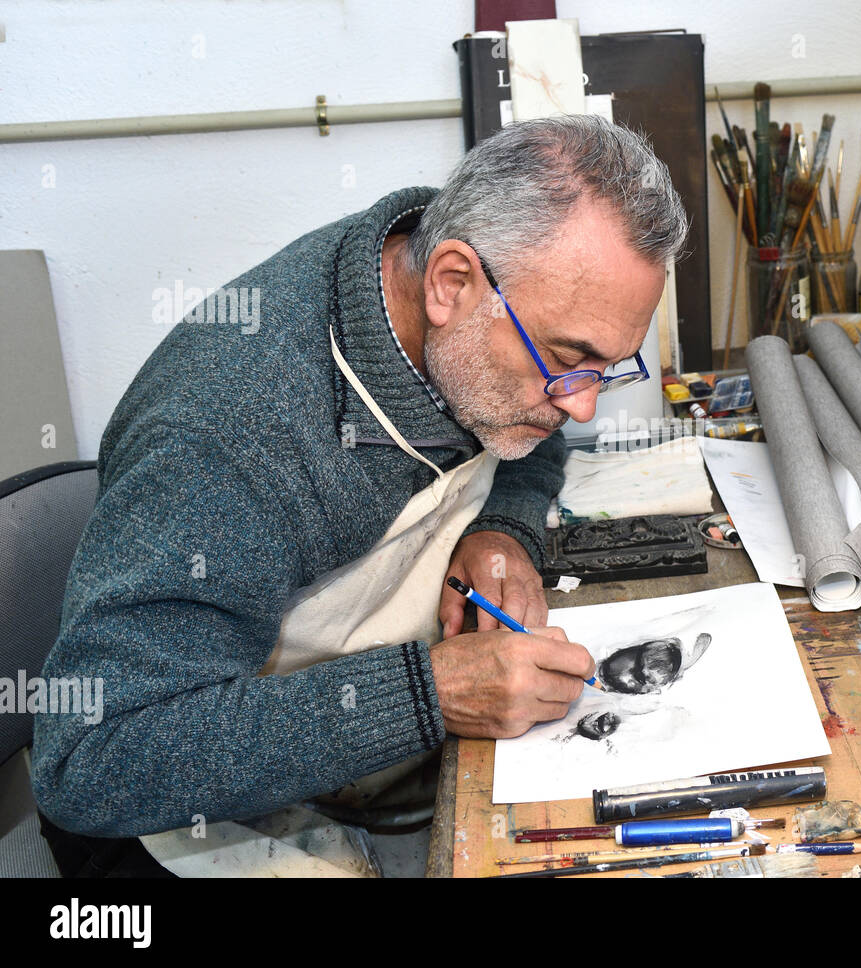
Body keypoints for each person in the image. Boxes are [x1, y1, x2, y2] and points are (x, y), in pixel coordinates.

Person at [31, 115, 688, 856]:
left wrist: (499, 528)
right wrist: (427, 692)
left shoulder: (465, 311)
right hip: (208, 819)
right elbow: (90, 758)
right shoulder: (227, 434)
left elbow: (527, 435)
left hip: (399, 771)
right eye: (570, 361)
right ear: (451, 284)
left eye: (607, 369)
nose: (582, 405)